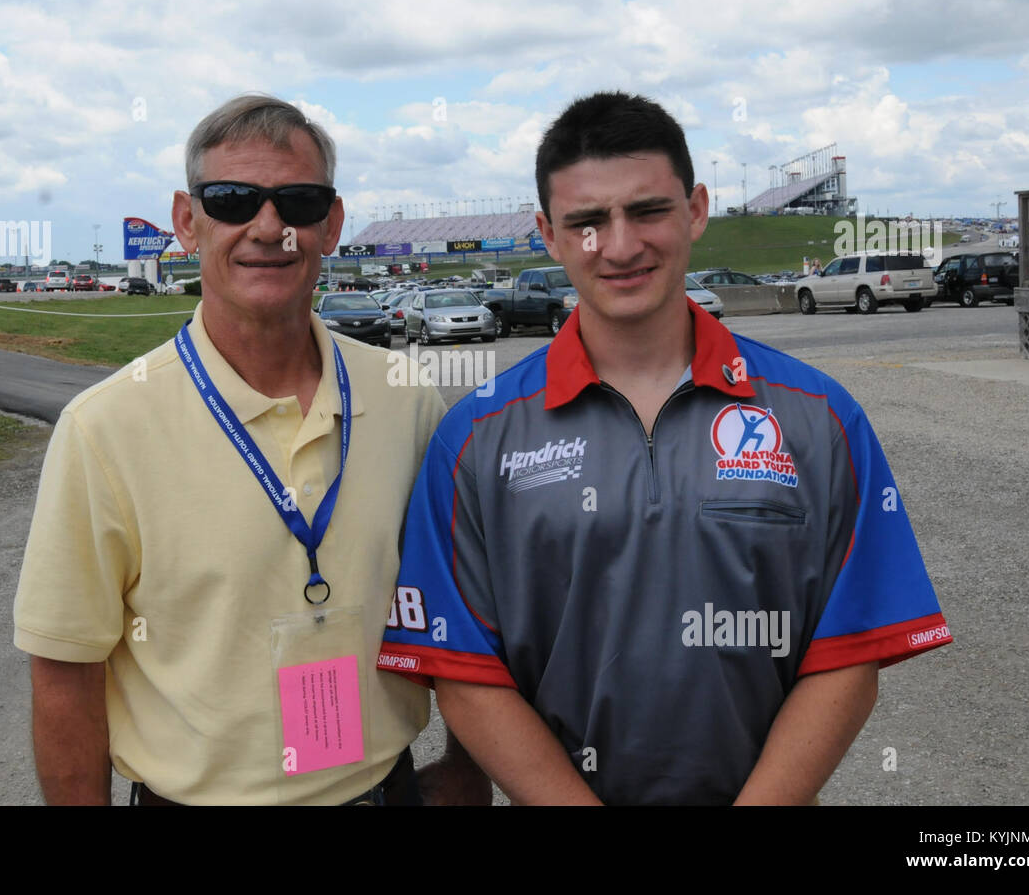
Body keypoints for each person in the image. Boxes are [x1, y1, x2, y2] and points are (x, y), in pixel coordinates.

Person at [377, 91, 952, 805]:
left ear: (696, 209)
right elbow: (463, 669)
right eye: (587, 222)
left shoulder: (819, 417)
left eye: (647, 211)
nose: (619, 246)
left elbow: (850, 651)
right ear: (549, 235)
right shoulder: (474, 438)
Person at [15, 94, 487, 805]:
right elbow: (63, 669)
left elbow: (462, 602)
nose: (269, 226)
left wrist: (466, 765)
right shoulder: (103, 427)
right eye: (233, 199)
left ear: (330, 224)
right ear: (187, 221)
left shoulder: (404, 397)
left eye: (297, 201)